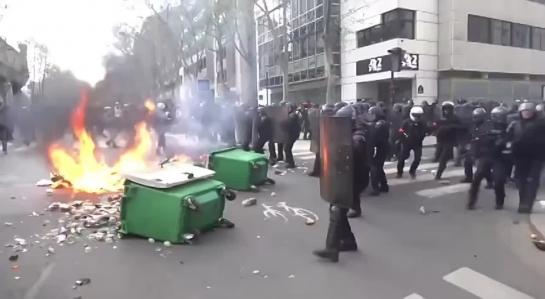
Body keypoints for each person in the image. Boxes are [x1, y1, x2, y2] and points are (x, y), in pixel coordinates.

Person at [313, 105, 369, 262]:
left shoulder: (359, 135)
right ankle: (349, 241)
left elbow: (356, 149)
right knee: (337, 209)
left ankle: (331, 249)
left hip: (355, 179)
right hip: (348, 177)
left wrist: (341, 145)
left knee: (337, 208)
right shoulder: (349, 133)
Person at [467, 107, 510, 210]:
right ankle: (471, 201)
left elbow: (512, 141)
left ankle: (500, 201)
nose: (499, 118)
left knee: (498, 180)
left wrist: (502, 142)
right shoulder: (486, 126)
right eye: (497, 116)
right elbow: (476, 140)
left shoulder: (508, 127)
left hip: (500, 158)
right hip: (486, 155)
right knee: (477, 178)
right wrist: (475, 153)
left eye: (501, 116)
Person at [507, 102, 545, 213]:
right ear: (520, 112)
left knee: (533, 180)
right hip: (520, 156)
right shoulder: (515, 124)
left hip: (537, 156)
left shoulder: (541, 124)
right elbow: (508, 137)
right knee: (520, 180)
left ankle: (528, 204)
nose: (526, 113)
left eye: (528, 111)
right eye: (524, 111)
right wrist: (509, 145)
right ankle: (523, 202)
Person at [397, 106, 427, 179]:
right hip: (406, 143)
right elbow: (401, 131)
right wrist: (406, 136)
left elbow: (426, 130)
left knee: (417, 159)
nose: (417, 117)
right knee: (402, 159)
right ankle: (399, 172)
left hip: (417, 143)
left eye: (418, 116)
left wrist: (423, 135)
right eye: (415, 115)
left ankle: (412, 171)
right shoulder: (406, 122)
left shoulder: (422, 123)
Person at [434, 101, 462, 180]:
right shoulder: (440, 117)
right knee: (439, 156)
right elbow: (435, 125)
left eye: (448, 109)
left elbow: (462, 127)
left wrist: (452, 127)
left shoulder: (455, 118)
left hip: (449, 141)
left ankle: (438, 174)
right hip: (440, 140)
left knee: (443, 159)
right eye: (445, 109)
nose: (446, 111)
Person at [368, 105, 390, 196]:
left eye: (371, 114)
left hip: (379, 148)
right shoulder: (382, 122)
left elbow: (374, 137)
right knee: (379, 168)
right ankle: (384, 186)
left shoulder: (379, 124)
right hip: (383, 147)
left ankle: (375, 188)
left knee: (374, 168)